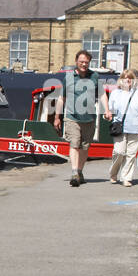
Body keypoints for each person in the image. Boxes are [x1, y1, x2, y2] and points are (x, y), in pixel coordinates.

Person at [54, 50, 102, 187]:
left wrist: (108, 110)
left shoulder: (94, 76)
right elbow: (61, 98)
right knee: (74, 144)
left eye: (86, 62)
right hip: (72, 117)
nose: (84, 64)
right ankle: (74, 172)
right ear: (76, 61)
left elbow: (102, 94)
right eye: (81, 61)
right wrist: (57, 117)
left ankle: (80, 171)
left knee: (85, 147)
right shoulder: (68, 78)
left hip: (89, 118)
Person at [107, 67, 138, 187]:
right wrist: (108, 115)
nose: (127, 80)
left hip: (135, 128)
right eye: (125, 78)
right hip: (120, 127)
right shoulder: (115, 93)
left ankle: (126, 177)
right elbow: (111, 111)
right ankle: (113, 173)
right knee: (119, 151)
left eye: (130, 78)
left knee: (131, 154)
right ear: (120, 80)